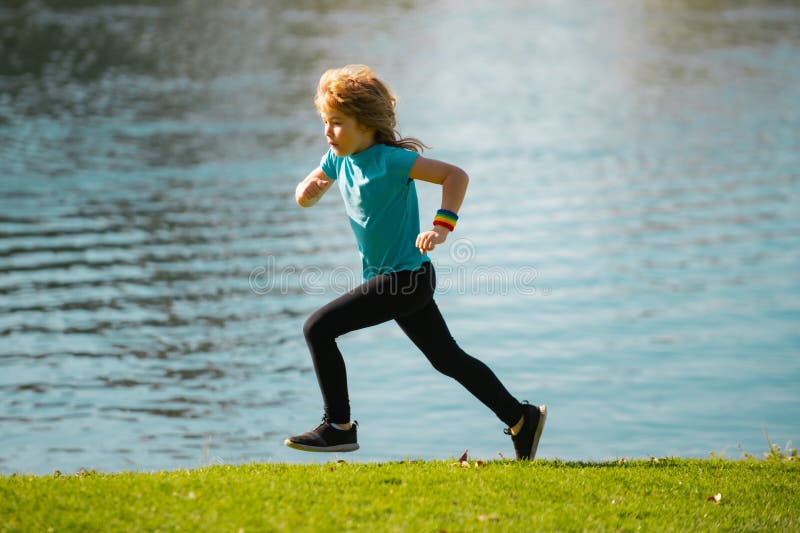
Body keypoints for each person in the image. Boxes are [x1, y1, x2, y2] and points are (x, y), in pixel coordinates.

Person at [284, 65, 546, 460]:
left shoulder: (391, 160)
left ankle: (338, 427)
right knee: (447, 358)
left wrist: (442, 228)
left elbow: (455, 176)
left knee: (317, 329)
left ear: (366, 124)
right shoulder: (337, 159)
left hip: (404, 279)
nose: (327, 131)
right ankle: (521, 417)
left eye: (337, 123)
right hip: (402, 280)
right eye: (325, 122)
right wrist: (307, 192)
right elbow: (306, 191)